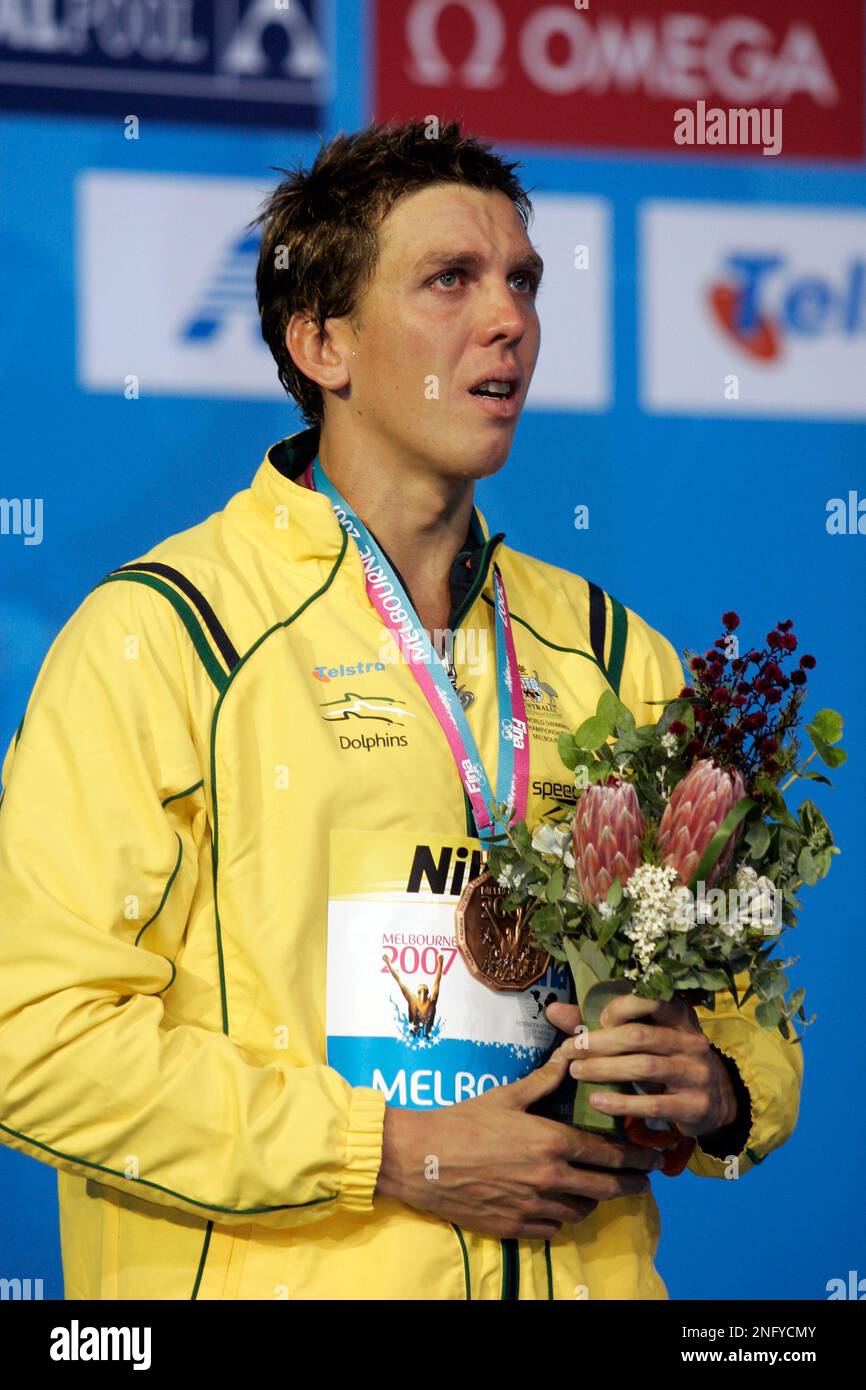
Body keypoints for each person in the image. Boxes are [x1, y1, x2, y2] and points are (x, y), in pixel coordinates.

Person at [0, 119, 802, 1301]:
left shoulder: (615, 654)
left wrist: (719, 1086)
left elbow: (739, 1014)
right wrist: (388, 1155)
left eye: (522, 281)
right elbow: (34, 1040)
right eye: (450, 280)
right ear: (321, 340)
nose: (510, 319)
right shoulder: (165, 638)